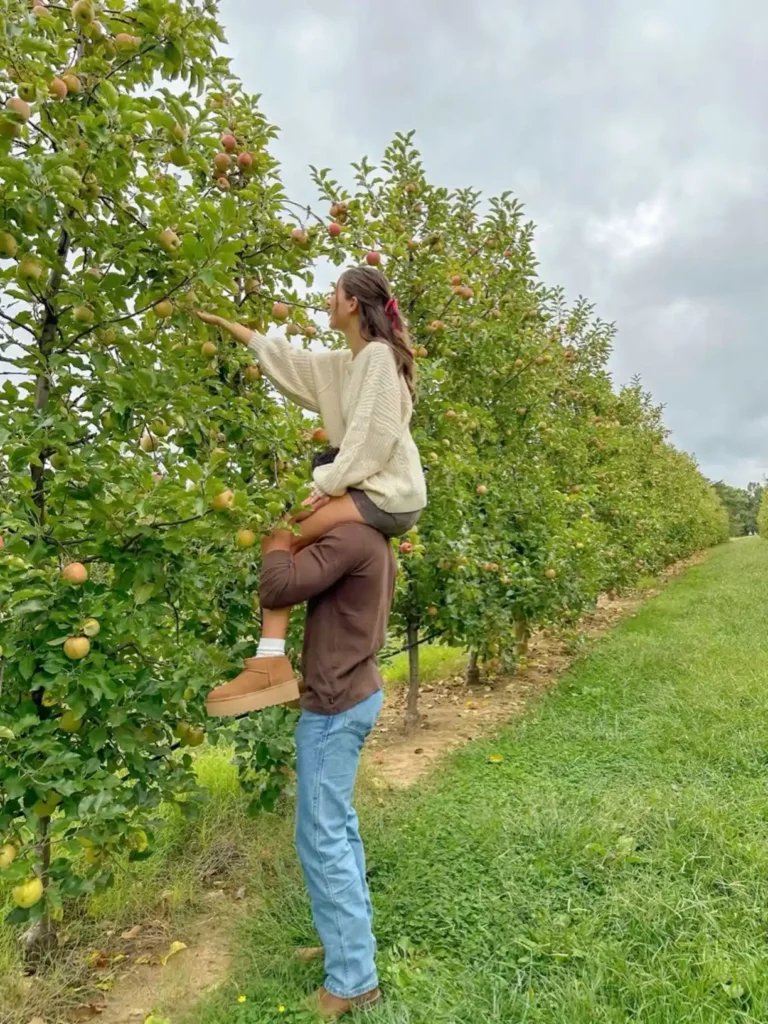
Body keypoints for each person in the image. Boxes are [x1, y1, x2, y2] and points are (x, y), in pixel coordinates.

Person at [200, 266, 426, 718]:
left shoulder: (379, 358)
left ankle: (268, 663)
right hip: (368, 487)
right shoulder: (350, 361)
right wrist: (235, 329)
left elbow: (372, 438)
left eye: (333, 292)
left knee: (280, 531)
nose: (327, 299)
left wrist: (325, 485)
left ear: (352, 304)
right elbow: (294, 362)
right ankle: (270, 662)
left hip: (386, 493)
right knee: (282, 536)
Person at [257, 521, 394, 1017]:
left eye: (318, 490)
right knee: (336, 828)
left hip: (336, 706)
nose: (310, 502)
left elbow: (277, 586)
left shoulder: (351, 537)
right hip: (350, 692)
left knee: (321, 836)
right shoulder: (368, 536)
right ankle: (347, 946)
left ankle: (355, 979)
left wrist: (275, 546)